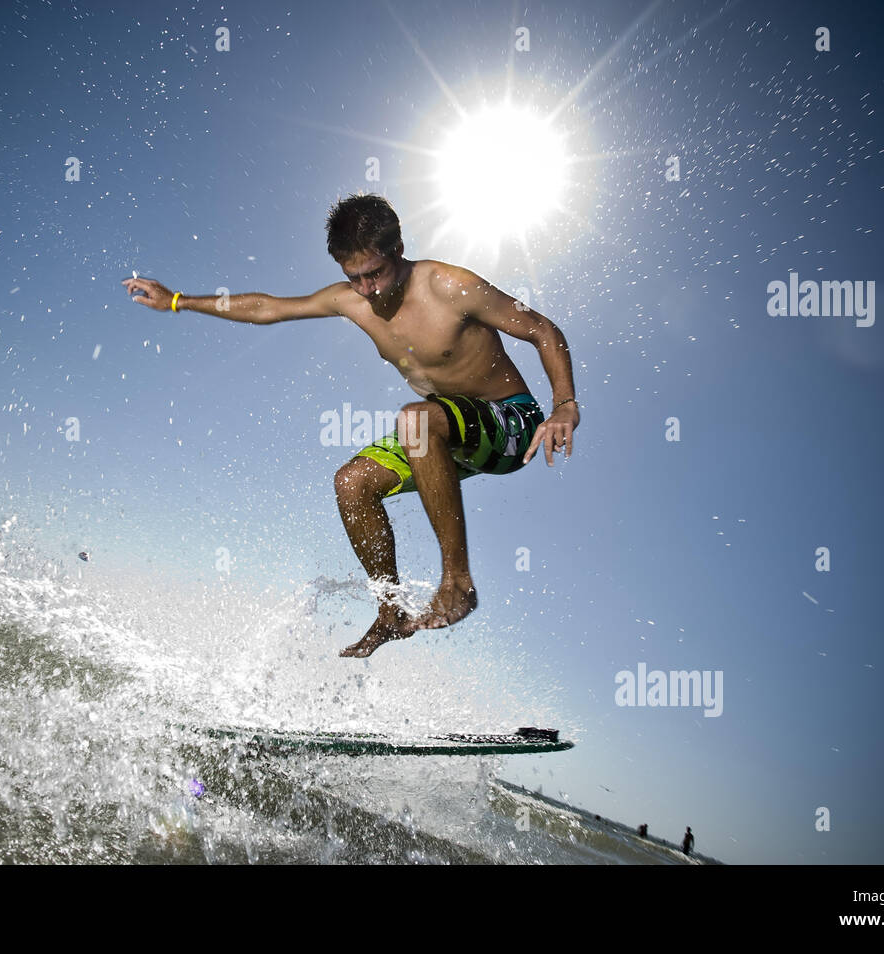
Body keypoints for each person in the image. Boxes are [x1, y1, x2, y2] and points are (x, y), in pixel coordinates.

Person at [123, 193, 579, 657]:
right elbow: (270, 308)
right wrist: (178, 300)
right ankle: (390, 611)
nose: (366, 289)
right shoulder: (351, 300)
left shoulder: (450, 285)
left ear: (398, 249)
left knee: (416, 419)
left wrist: (564, 404)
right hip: (443, 433)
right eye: (353, 277)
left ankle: (457, 583)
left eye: (374, 273)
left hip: (512, 424)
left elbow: (542, 329)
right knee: (352, 482)